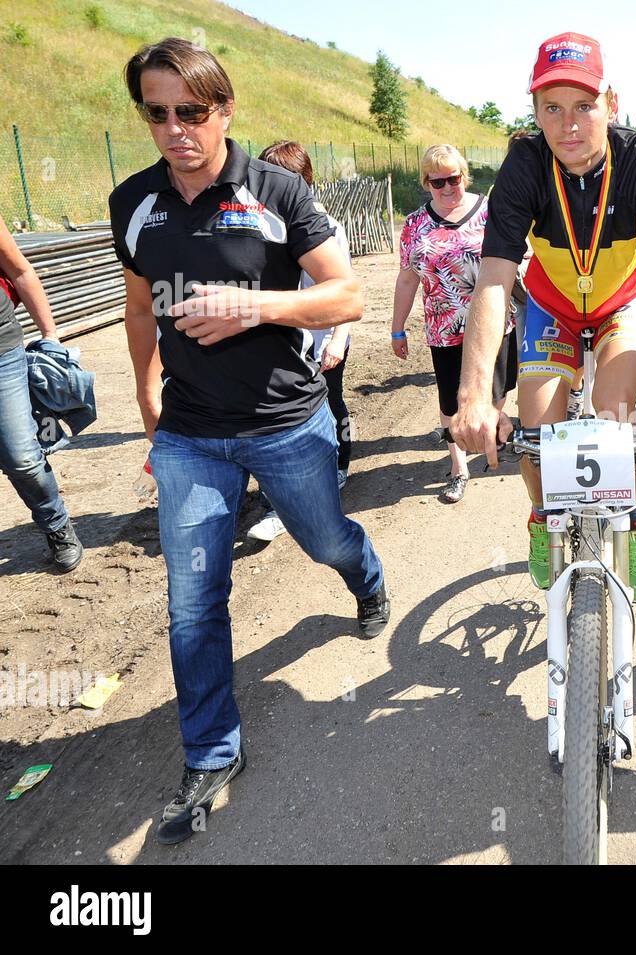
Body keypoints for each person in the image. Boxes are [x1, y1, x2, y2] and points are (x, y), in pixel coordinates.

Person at [109, 38, 388, 845]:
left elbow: (347, 296)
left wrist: (252, 306)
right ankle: (210, 751)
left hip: (285, 424)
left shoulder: (278, 191)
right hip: (191, 434)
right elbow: (138, 308)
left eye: (190, 112)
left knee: (326, 538)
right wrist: (144, 389)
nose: (174, 129)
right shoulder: (134, 202)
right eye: (156, 113)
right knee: (193, 600)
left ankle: (365, 576)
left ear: (224, 108)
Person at [450, 31, 636, 603]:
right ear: (534, 112)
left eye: (584, 106)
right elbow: (492, 280)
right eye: (551, 109)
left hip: (621, 306)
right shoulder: (524, 164)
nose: (568, 124)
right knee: (536, 433)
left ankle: (633, 526)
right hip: (552, 308)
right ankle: (541, 517)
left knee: (618, 425)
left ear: (611, 103)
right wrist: (473, 394)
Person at [393, 144, 516, 504]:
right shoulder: (415, 224)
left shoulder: (490, 212)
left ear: (465, 175)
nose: (447, 188)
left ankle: (491, 431)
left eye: (454, 179)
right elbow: (406, 279)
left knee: (495, 391)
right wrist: (397, 327)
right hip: (444, 328)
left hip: (493, 324)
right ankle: (458, 467)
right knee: (450, 400)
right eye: (438, 182)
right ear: (426, 183)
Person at [248, 140, 355, 540]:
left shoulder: (325, 228)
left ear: (304, 181)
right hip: (281, 342)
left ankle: (337, 469)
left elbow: (345, 291)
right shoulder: (257, 223)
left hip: (323, 338)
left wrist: (337, 340)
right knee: (279, 418)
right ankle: (282, 497)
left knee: (328, 405)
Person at [0, 220, 83, 571]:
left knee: (20, 457)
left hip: (1, 352)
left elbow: (20, 271)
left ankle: (57, 525)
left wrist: (51, 335)